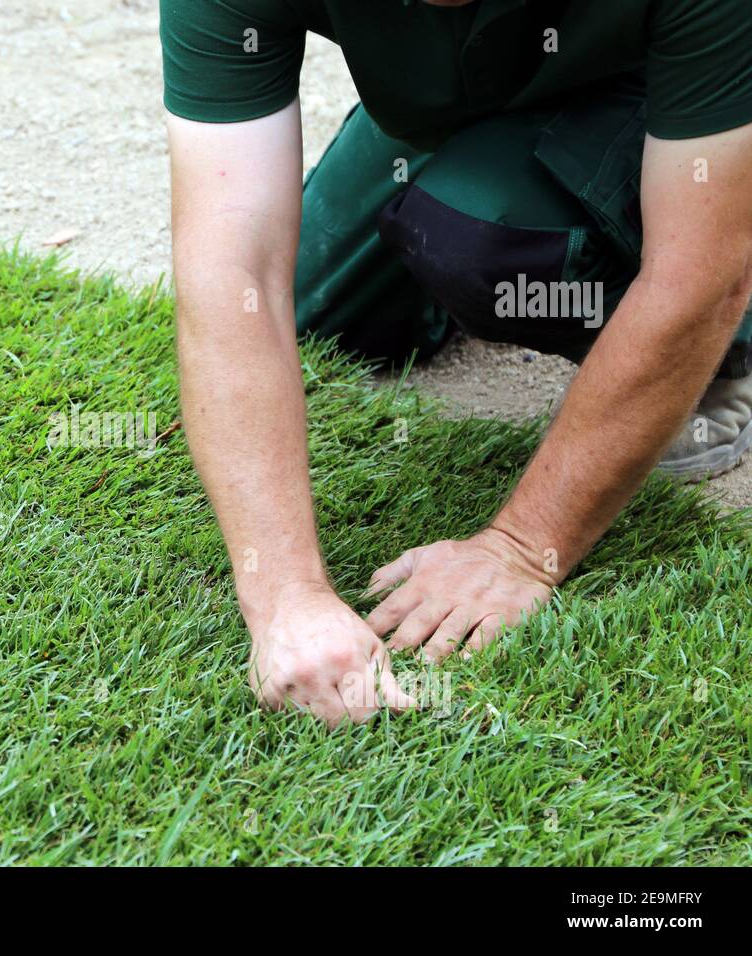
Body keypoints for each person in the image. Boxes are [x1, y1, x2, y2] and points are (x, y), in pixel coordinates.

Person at [160, 0, 752, 725]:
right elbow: (233, 268)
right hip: (472, 92)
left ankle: (722, 350)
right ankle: (467, 182)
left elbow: (697, 278)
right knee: (315, 304)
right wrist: (286, 598)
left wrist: (521, 547)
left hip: (677, 92)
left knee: (485, 245)